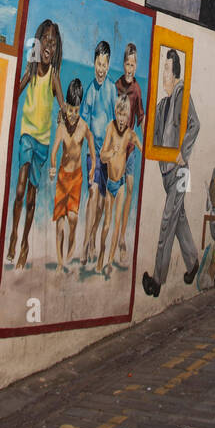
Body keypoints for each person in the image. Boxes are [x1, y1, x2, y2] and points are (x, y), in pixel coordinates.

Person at [142, 48, 200, 297]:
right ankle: (193, 262)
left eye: (166, 69)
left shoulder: (182, 94)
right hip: (167, 173)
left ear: (175, 73)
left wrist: (182, 153)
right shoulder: (163, 104)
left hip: (180, 173)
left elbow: (195, 125)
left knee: (168, 221)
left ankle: (157, 280)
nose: (163, 74)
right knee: (180, 219)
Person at [7, 19, 64, 269]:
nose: (49, 46)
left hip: (42, 141)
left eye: (54, 42)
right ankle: (13, 236)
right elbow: (14, 93)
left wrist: (64, 114)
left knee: (31, 197)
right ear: (39, 43)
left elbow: (62, 104)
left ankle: (25, 242)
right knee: (19, 189)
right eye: (46, 41)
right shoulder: (31, 70)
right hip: (27, 134)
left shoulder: (54, 76)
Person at [50, 78, 94, 274]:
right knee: (60, 223)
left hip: (76, 177)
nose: (73, 115)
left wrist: (92, 167)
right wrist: (52, 167)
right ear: (65, 107)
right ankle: (60, 262)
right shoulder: (61, 128)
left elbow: (91, 142)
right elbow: (54, 152)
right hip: (62, 178)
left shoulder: (83, 126)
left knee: (73, 218)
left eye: (76, 111)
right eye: (70, 110)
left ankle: (73, 237)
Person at [79, 41, 117, 265]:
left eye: (104, 64)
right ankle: (85, 244)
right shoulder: (90, 90)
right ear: (93, 62)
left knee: (102, 204)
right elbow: (85, 122)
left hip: (107, 157)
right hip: (92, 155)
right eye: (97, 63)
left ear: (109, 64)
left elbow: (115, 124)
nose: (100, 69)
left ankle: (93, 236)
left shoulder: (112, 89)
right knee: (93, 195)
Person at [97, 95, 142, 274]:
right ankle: (101, 253)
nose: (122, 119)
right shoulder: (111, 128)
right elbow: (102, 155)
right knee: (107, 224)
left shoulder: (130, 134)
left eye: (125, 115)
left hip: (121, 184)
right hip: (110, 184)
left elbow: (142, 146)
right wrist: (111, 153)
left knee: (116, 224)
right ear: (115, 113)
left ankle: (109, 261)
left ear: (129, 116)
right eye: (119, 114)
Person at [110, 43, 144, 265]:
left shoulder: (137, 90)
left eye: (133, 64)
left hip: (130, 148)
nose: (130, 68)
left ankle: (122, 236)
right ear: (123, 64)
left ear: (136, 65)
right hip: (117, 148)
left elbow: (140, 116)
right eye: (127, 64)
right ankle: (111, 234)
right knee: (115, 192)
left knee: (129, 189)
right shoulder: (117, 85)